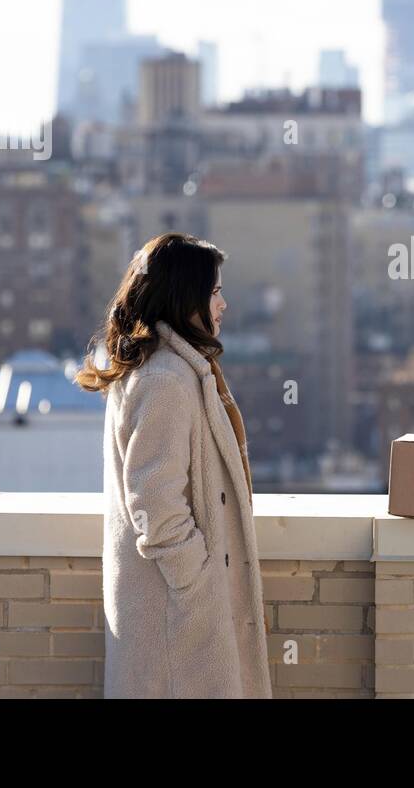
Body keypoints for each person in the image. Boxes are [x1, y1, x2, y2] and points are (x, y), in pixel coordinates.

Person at [77, 231, 272, 698]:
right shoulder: (165, 380)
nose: (223, 305)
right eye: (215, 292)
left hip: (176, 618)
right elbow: (155, 503)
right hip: (177, 624)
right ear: (186, 296)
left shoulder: (161, 368)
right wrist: (195, 581)